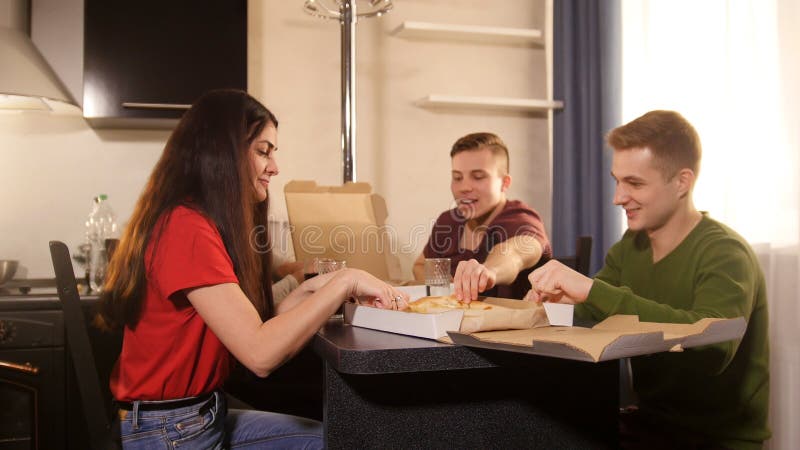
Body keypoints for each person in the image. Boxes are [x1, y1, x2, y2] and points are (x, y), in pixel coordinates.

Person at [98, 89, 409, 449]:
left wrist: (312, 289)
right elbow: (261, 354)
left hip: (193, 416)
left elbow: (253, 325)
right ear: (223, 153)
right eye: (264, 151)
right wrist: (344, 280)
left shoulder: (194, 222)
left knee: (338, 439)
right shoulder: (185, 228)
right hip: (170, 431)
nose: (274, 167)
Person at [525, 110, 770, 450]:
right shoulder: (630, 247)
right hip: (649, 426)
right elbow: (598, 318)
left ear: (682, 182)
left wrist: (594, 291)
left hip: (717, 441)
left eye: (635, 183)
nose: (618, 198)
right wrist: (560, 306)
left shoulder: (727, 253)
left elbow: (713, 344)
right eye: (617, 181)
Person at [413, 132, 552, 300]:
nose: (464, 187)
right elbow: (420, 266)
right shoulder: (448, 221)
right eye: (457, 177)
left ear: (504, 183)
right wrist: (444, 288)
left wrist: (488, 271)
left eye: (478, 177)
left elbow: (513, 254)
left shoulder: (521, 218)